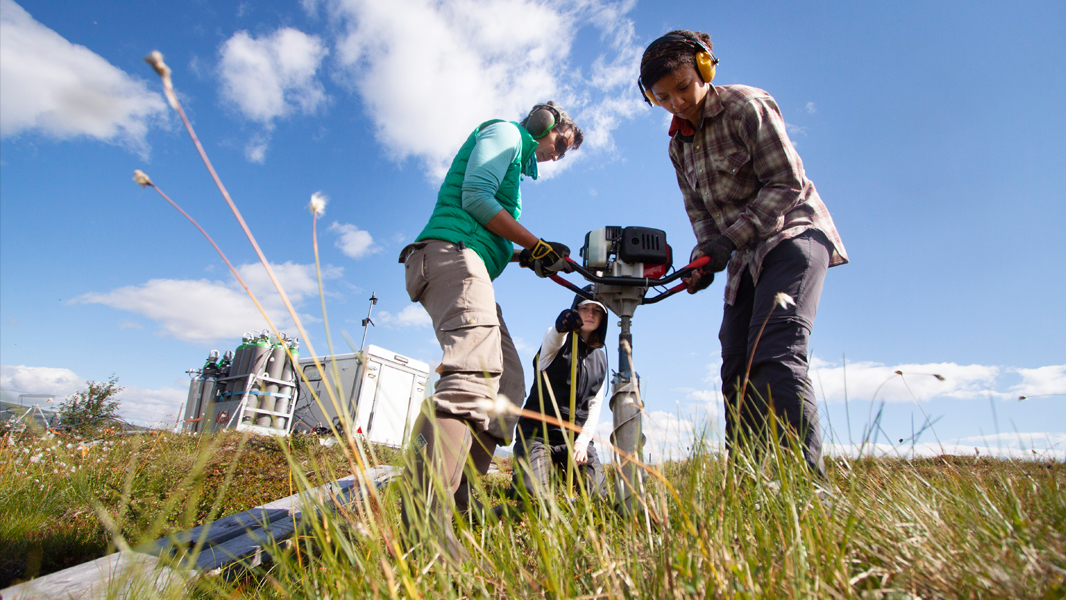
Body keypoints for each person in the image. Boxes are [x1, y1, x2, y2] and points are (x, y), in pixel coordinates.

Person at [637, 31, 848, 477]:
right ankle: (753, 486)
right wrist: (704, 259)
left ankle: (807, 488)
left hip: (792, 235)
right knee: (736, 368)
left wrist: (727, 242)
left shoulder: (746, 105)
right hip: (743, 260)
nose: (676, 102)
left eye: (682, 87)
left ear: (704, 69)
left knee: (775, 353)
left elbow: (786, 183)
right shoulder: (678, 147)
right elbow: (701, 215)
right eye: (662, 97)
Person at [398, 102, 584, 562]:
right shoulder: (504, 133)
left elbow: (491, 227)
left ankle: (457, 507)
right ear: (546, 124)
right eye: (561, 143)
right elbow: (476, 198)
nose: (557, 155)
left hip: (469, 259)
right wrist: (534, 243)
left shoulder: (517, 169)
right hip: (450, 254)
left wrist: (529, 256)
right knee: (471, 375)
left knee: (507, 386)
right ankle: (423, 527)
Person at [506, 295, 610, 511]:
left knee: (597, 496)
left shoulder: (601, 359)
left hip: (574, 440)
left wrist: (582, 442)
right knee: (533, 498)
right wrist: (560, 327)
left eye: (597, 310)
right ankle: (531, 474)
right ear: (575, 310)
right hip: (538, 435)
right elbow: (554, 338)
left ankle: (558, 473)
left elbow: (595, 406)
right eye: (585, 308)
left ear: (603, 318)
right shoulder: (556, 339)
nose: (590, 314)